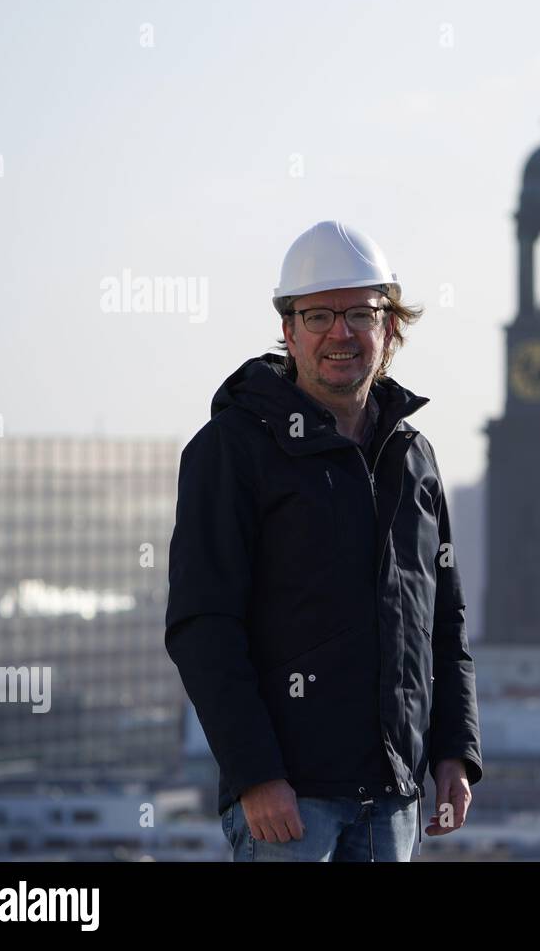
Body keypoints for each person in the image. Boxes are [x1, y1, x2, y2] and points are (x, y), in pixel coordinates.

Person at [165, 220, 482, 861]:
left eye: (360, 313)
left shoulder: (412, 457)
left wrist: (455, 749)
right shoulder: (234, 451)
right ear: (288, 330)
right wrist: (256, 776)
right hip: (289, 803)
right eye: (317, 315)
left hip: (393, 799)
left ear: (390, 328)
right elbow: (203, 626)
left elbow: (442, 623)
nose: (340, 333)